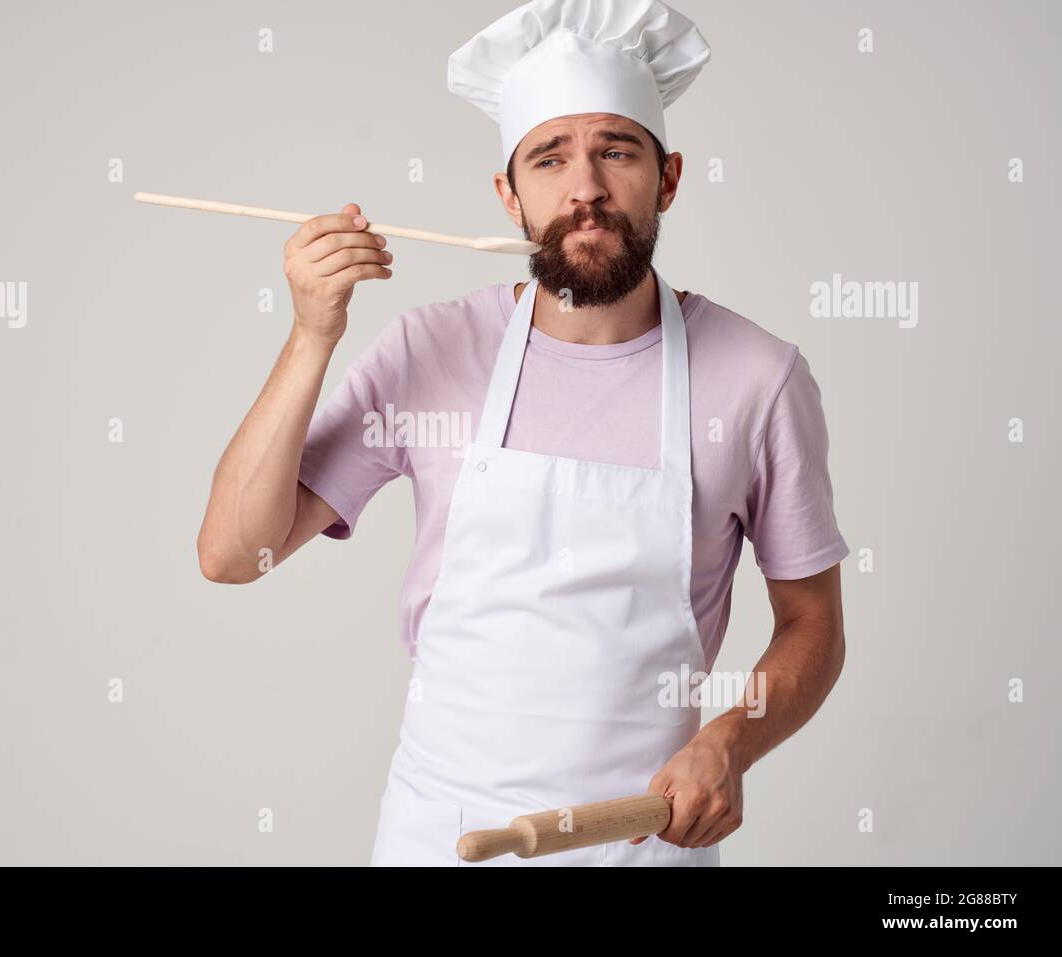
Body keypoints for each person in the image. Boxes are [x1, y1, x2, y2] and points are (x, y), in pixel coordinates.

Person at [196, 0, 848, 866]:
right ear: (509, 196)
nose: (584, 188)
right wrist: (314, 333)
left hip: (642, 839)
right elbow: (236, 553)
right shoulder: (429, 351)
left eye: (616, 150)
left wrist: (730, 739)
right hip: (441, 835)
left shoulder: (759, 377)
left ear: (669, 178)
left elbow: (814, 623)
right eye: (549, 159)